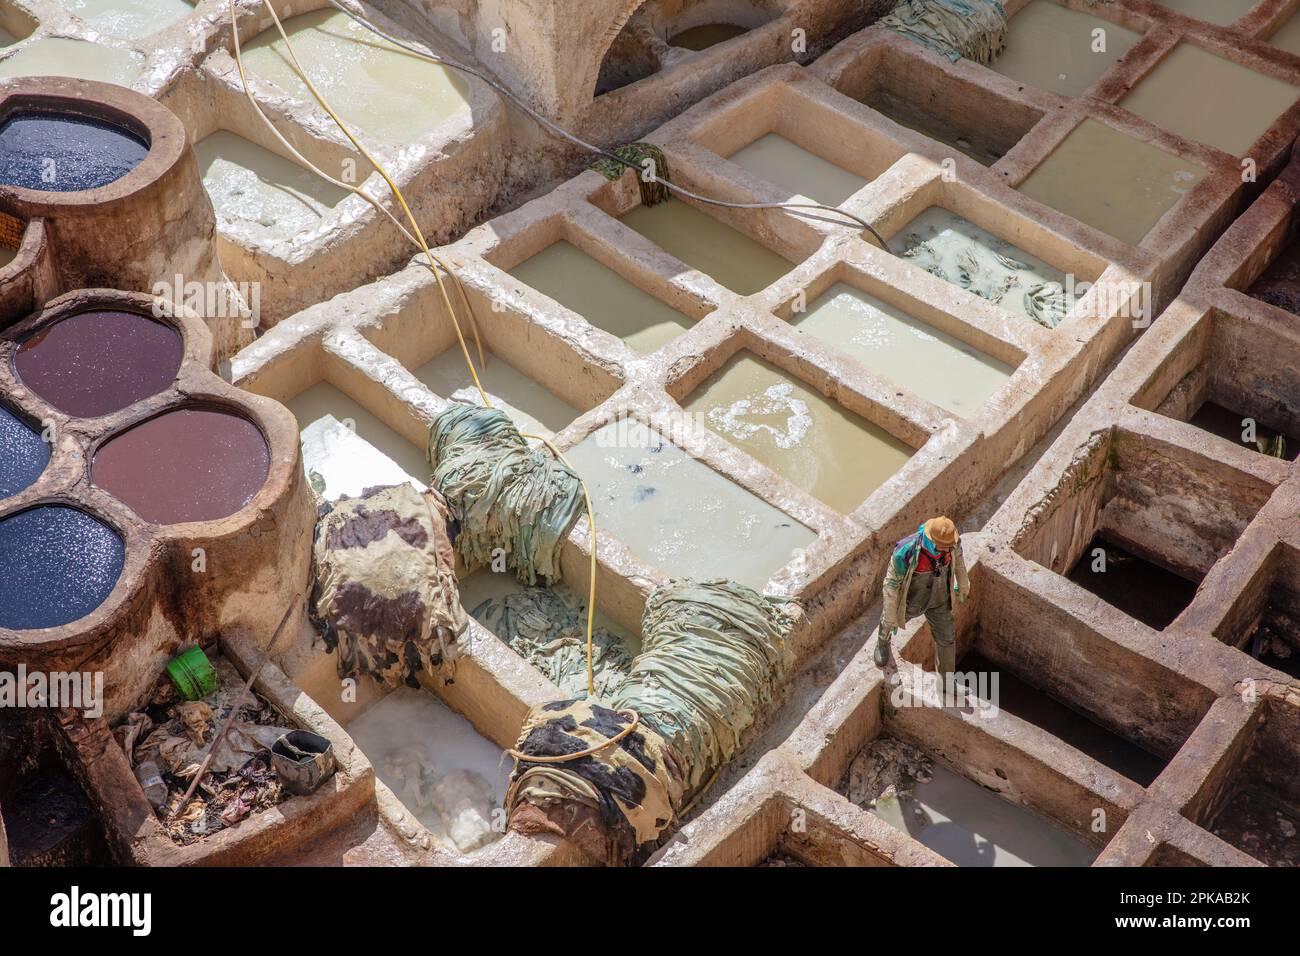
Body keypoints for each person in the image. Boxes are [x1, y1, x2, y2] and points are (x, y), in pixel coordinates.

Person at [873, 516, 970, 675]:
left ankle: (946, 682)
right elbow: (891, 583)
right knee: (888, 620)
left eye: (950, 545)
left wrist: (963, 583)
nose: (948, 549)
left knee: (947, 639)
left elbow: (958, 559)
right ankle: (882, 644)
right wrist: (891, 612)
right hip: (912, 599)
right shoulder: (906, 551)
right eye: (944, 546)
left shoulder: (953, 542)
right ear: (932, 541)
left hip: (939, 597)